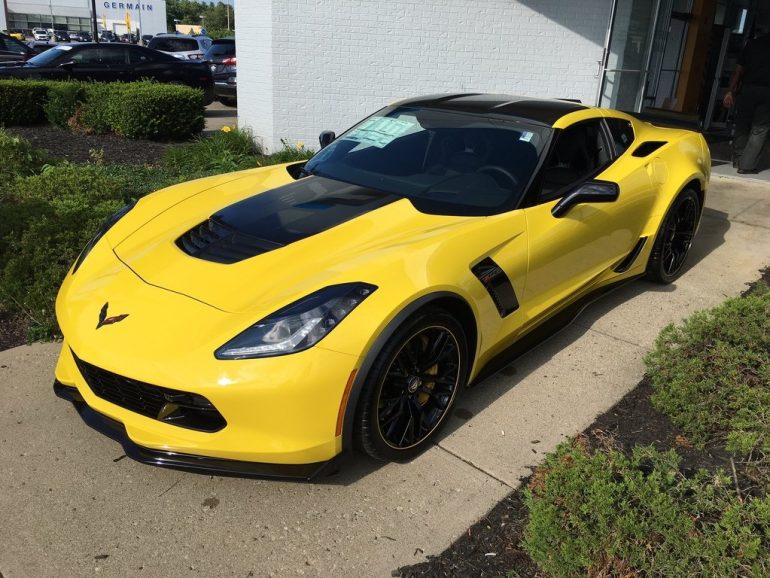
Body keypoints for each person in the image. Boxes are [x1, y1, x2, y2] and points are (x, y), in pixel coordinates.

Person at [723, 29, 770, 174]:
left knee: (742, 125)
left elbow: (738, 70)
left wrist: (730, 91)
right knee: (759, 129)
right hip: (768, 92)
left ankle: (738, 160)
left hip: (748, 90)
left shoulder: (752, 45)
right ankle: (747, 165)